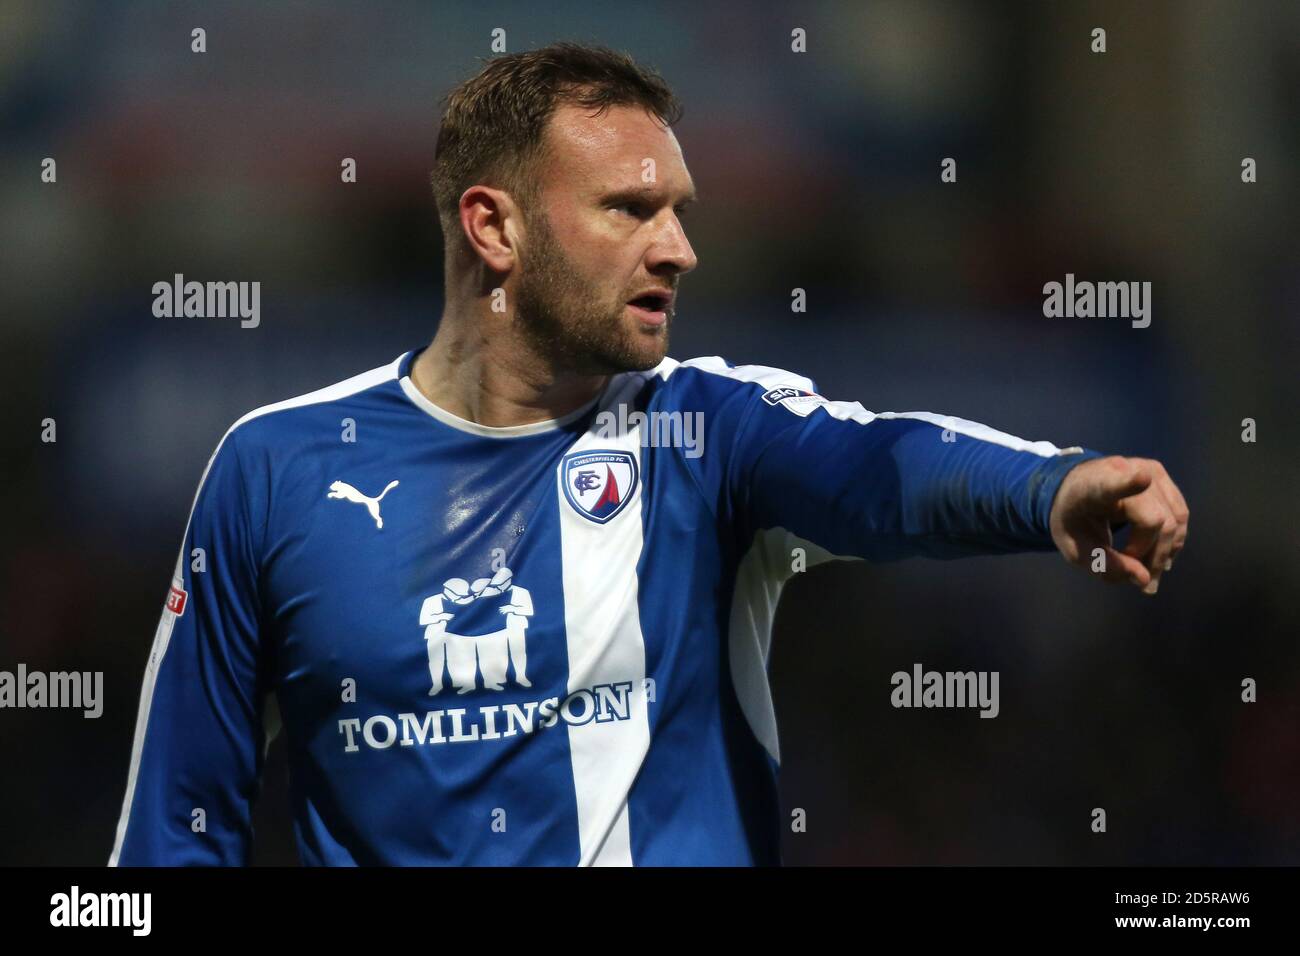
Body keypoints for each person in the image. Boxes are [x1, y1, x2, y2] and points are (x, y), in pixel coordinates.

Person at [109, 42, 1188, 866]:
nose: (679, 247)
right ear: (495, 229)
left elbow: (883, 467)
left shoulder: (707, 435)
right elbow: (173, 825)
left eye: (677, 210)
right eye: (630, 209)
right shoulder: (276, 470)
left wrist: (1048, 485)